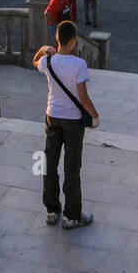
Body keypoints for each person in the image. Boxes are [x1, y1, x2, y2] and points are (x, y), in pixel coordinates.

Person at [34, 20, 99, 229]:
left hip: (51, 117)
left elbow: (34, 62)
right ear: (72, 42)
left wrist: (43, 50)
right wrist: (95, 116)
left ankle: (52, 210)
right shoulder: (78, 65)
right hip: (73, 121)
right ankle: (72, 215)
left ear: (57, 39)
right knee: (72, 167)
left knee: (50, 163)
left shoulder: (48, 61)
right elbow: (83, 98)